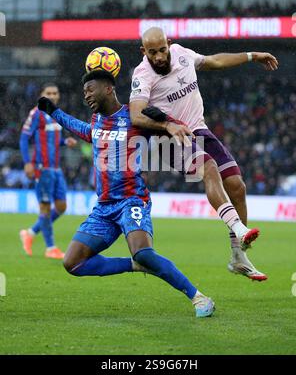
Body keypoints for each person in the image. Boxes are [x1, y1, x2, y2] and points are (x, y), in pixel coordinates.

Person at [37, 69, 215, 318]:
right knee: (73, 263)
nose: (86, 96)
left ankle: (199, 297)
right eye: (84, 92)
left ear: (108, 88)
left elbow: (173, 127)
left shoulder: (134, 116)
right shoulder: (96, 121)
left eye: (90, 90)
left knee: (143, 251)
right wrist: (54, 112)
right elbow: (82, 130)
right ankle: (134, 265)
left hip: (132, 200)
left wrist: (166, 120)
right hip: (104, 208)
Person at [129, 27, 279, 281]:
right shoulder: (142, 75)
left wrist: (253, 55)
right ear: (144, 51)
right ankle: (239, 229)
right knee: (208, 168)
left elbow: (215, 61)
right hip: (170, 139)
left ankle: (238, 257)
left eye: (162, 50)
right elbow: (136, 113)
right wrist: (167, 124)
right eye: (152, 52)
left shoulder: (182, 54)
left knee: (237, 185)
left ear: (169, 44)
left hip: (199, 131)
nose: (158, 57)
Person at [19, 83, 77, 259]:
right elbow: (24, 139)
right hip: (41, 167)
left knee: (61, 207)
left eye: (55, 93)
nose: (52, 96)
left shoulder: (56, 115)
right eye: (48, 93)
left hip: (56, 168)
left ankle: (30, 232)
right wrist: (27, 162)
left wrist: (65, 142)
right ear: (42, 95)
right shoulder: (36, 113)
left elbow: (52, 141)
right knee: (45, 208)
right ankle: (50, 248)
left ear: (58, 96)